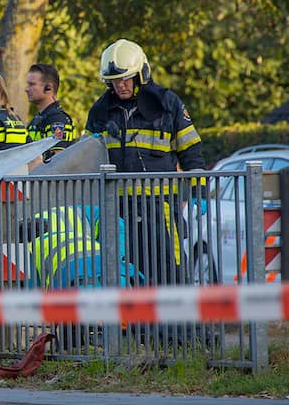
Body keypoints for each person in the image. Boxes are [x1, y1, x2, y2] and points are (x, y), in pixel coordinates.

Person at [83, 39, 206, 287]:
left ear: (141, 74)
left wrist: (198, 191)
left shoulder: (167, 104)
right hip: (116, 207)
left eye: (127, 78)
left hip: (160, 205)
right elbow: (86, 157)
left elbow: (191, 150)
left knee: (170, 268)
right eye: (115, 81)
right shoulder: (100, 111)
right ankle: (138, 326)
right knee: (126, 272)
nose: (121, 85)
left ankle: (178, 325)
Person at [25, 63, 75, 160]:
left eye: (32, 84)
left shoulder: (57, 120)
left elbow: (58, 160)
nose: (26, 89)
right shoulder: (38, 118)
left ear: (48, 88)